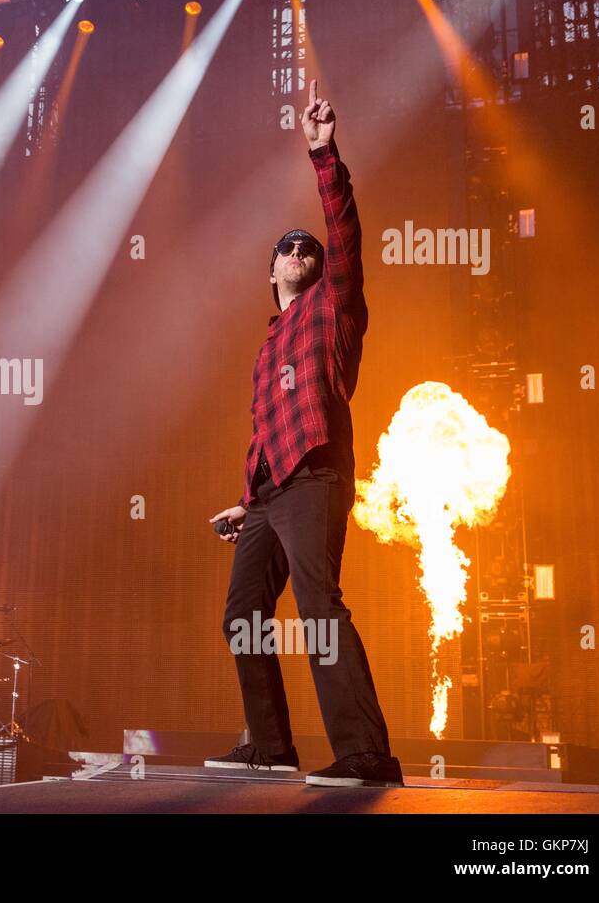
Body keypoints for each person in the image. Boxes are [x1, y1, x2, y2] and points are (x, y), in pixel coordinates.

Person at [206, 80, 402, 788]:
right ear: (271, 270)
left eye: (306, 245)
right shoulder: (265, 345)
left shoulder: (333, 306)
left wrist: (325, 156)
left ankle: (367, 755)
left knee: (319, 606)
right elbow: (266, 432)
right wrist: (245, 498)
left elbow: (344, 232)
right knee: (242, 614)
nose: (299, 248)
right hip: (268, 492)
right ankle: (269, 743)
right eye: (287, 247)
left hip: (316, 476)